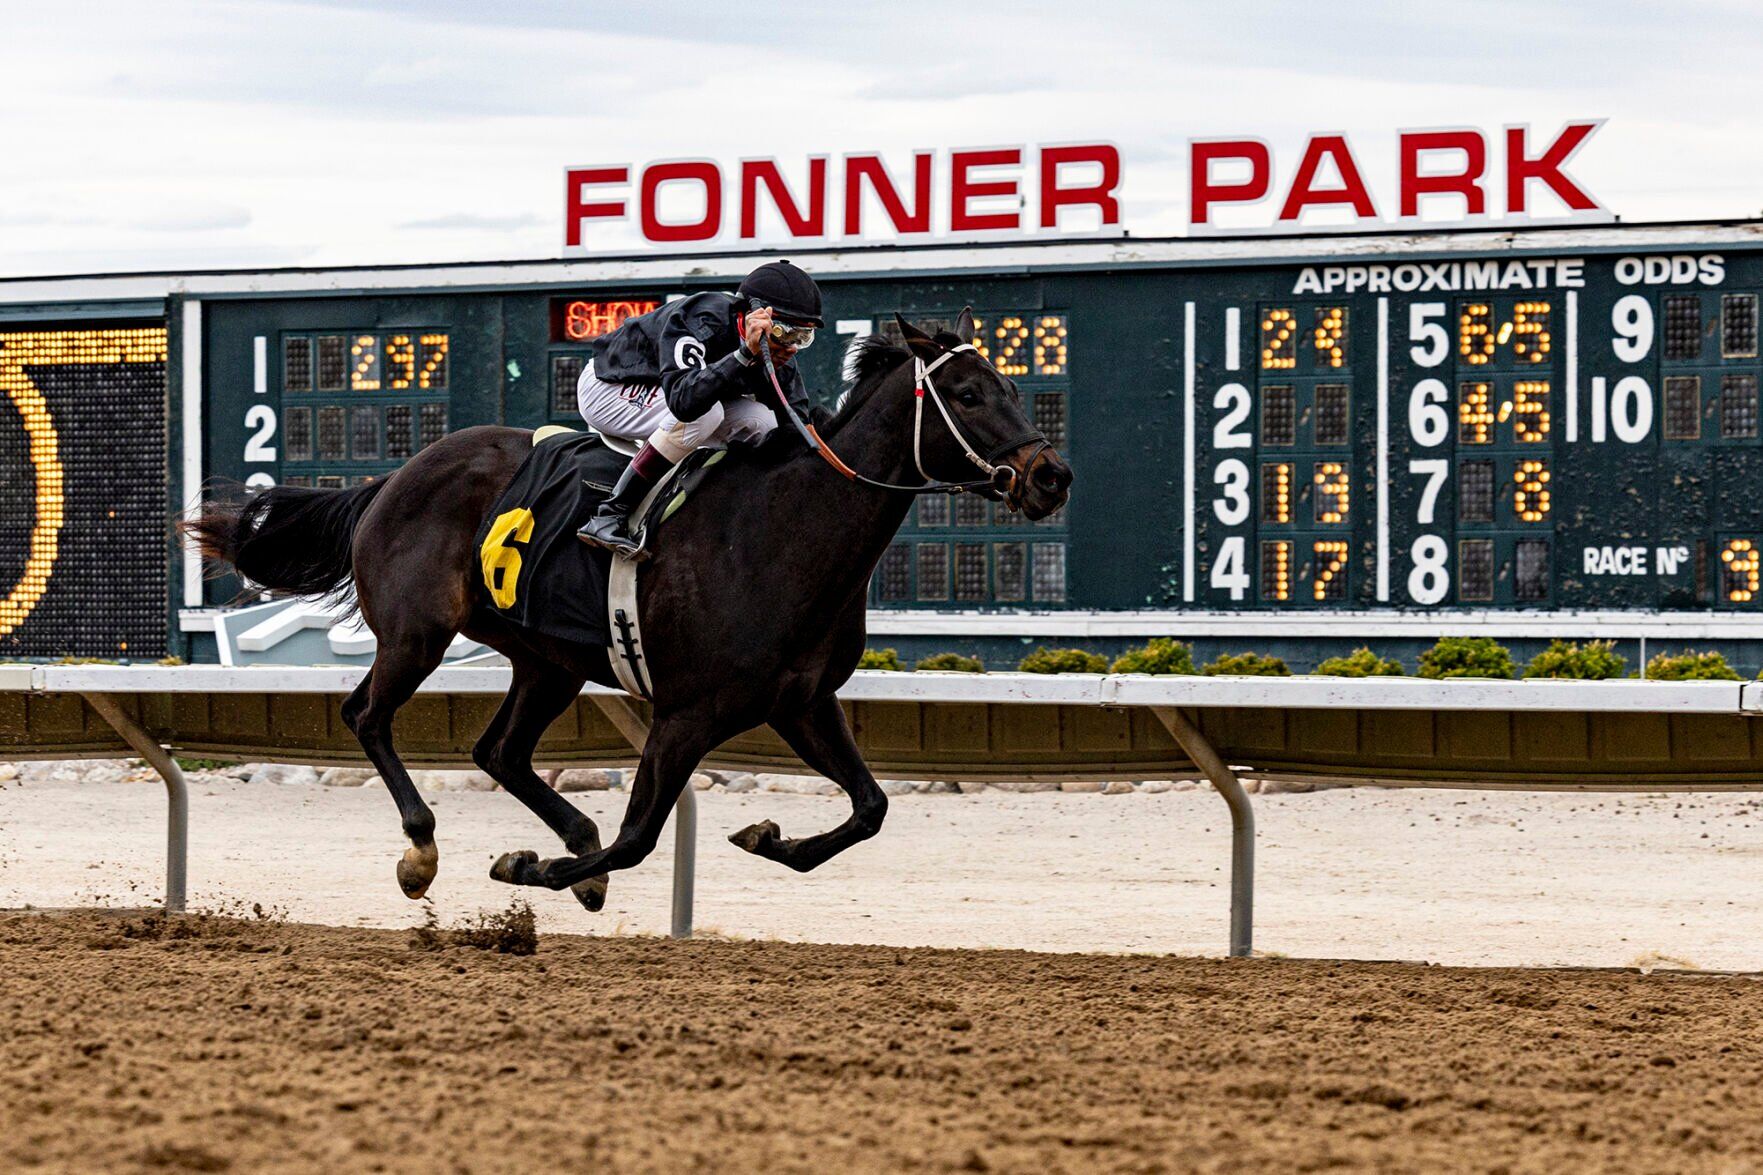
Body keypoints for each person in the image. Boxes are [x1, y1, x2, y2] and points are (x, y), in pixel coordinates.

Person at [575, 259, 823, 556]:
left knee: (762, 422)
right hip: (609, 387)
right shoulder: (700, 319)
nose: (792, 347)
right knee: (705, 414)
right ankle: (609, 513)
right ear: (751, 316)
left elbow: (797, 426)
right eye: (785, 332)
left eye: (803, 338)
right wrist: (744, 355)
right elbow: (684, 402)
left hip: (672, 393)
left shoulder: (780, 358)